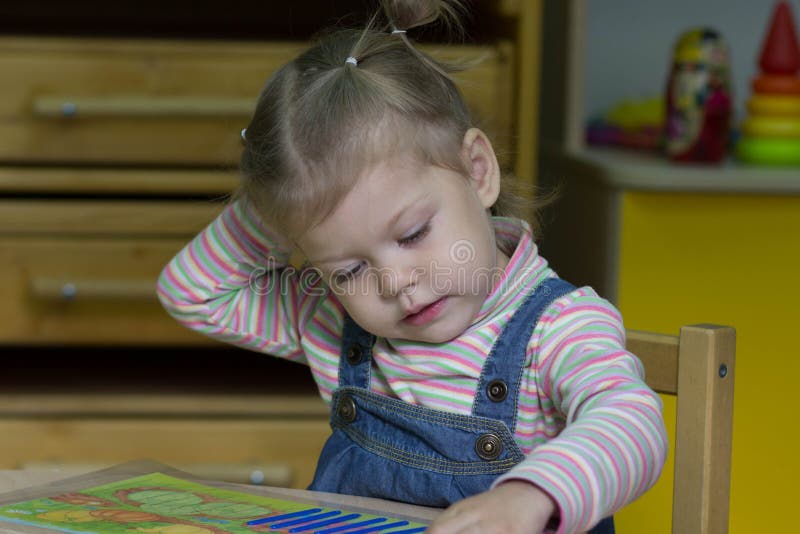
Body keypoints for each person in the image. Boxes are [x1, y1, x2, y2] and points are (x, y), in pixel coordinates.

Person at [157, 1, 667, 532]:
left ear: (478, 171)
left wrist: (531, 495)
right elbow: (195, 293)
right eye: (349, 269)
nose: (395, 283)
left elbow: (632, 424)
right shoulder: (336, 320)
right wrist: (283, 201)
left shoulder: (559, 328)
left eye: (413, 234)